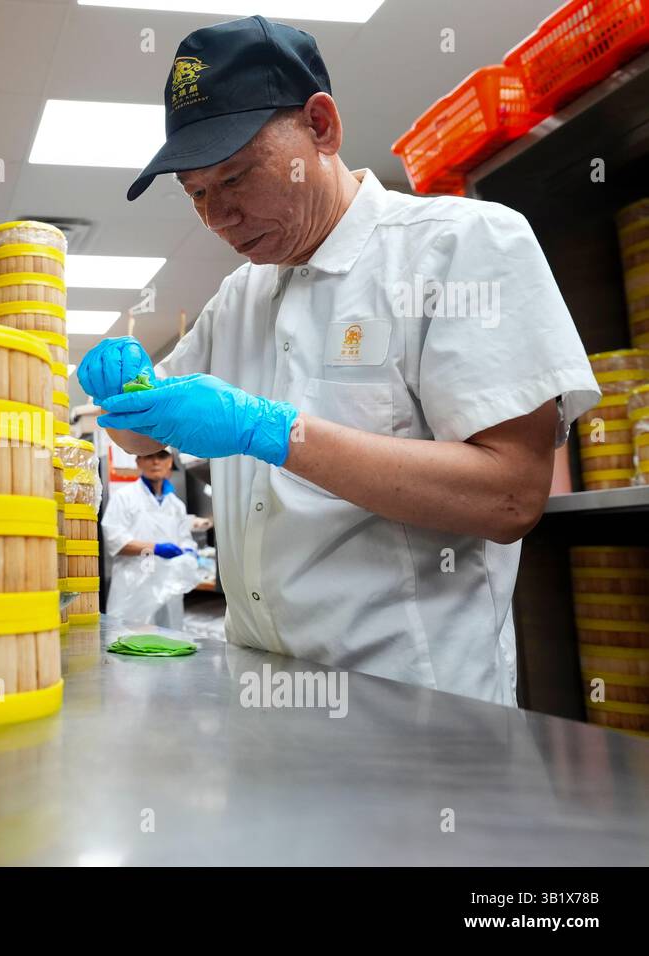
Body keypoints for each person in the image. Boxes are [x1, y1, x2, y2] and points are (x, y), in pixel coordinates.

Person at [78, 17, 599, 706]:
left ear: (321, 127)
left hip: (415, 715)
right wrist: (127, 394)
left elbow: (510, 495)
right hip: (260, 697)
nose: (218, 217)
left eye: (235, 177)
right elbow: (146, 436)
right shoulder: (239, 297)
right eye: (196, 194)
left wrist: (272, 431)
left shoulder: (461, 248)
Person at [101, 447, 199, 629]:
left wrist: (191, 551)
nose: (155, 461)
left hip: (168, 588)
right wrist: (156, 548)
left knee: (169, 642)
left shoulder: (176, 505)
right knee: (130, 642)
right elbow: (115, 541)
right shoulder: (123, 497)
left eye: (161, 456)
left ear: (170, 461)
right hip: (133, 589)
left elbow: (185, 538)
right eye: (149, 455)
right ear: (138, 461)